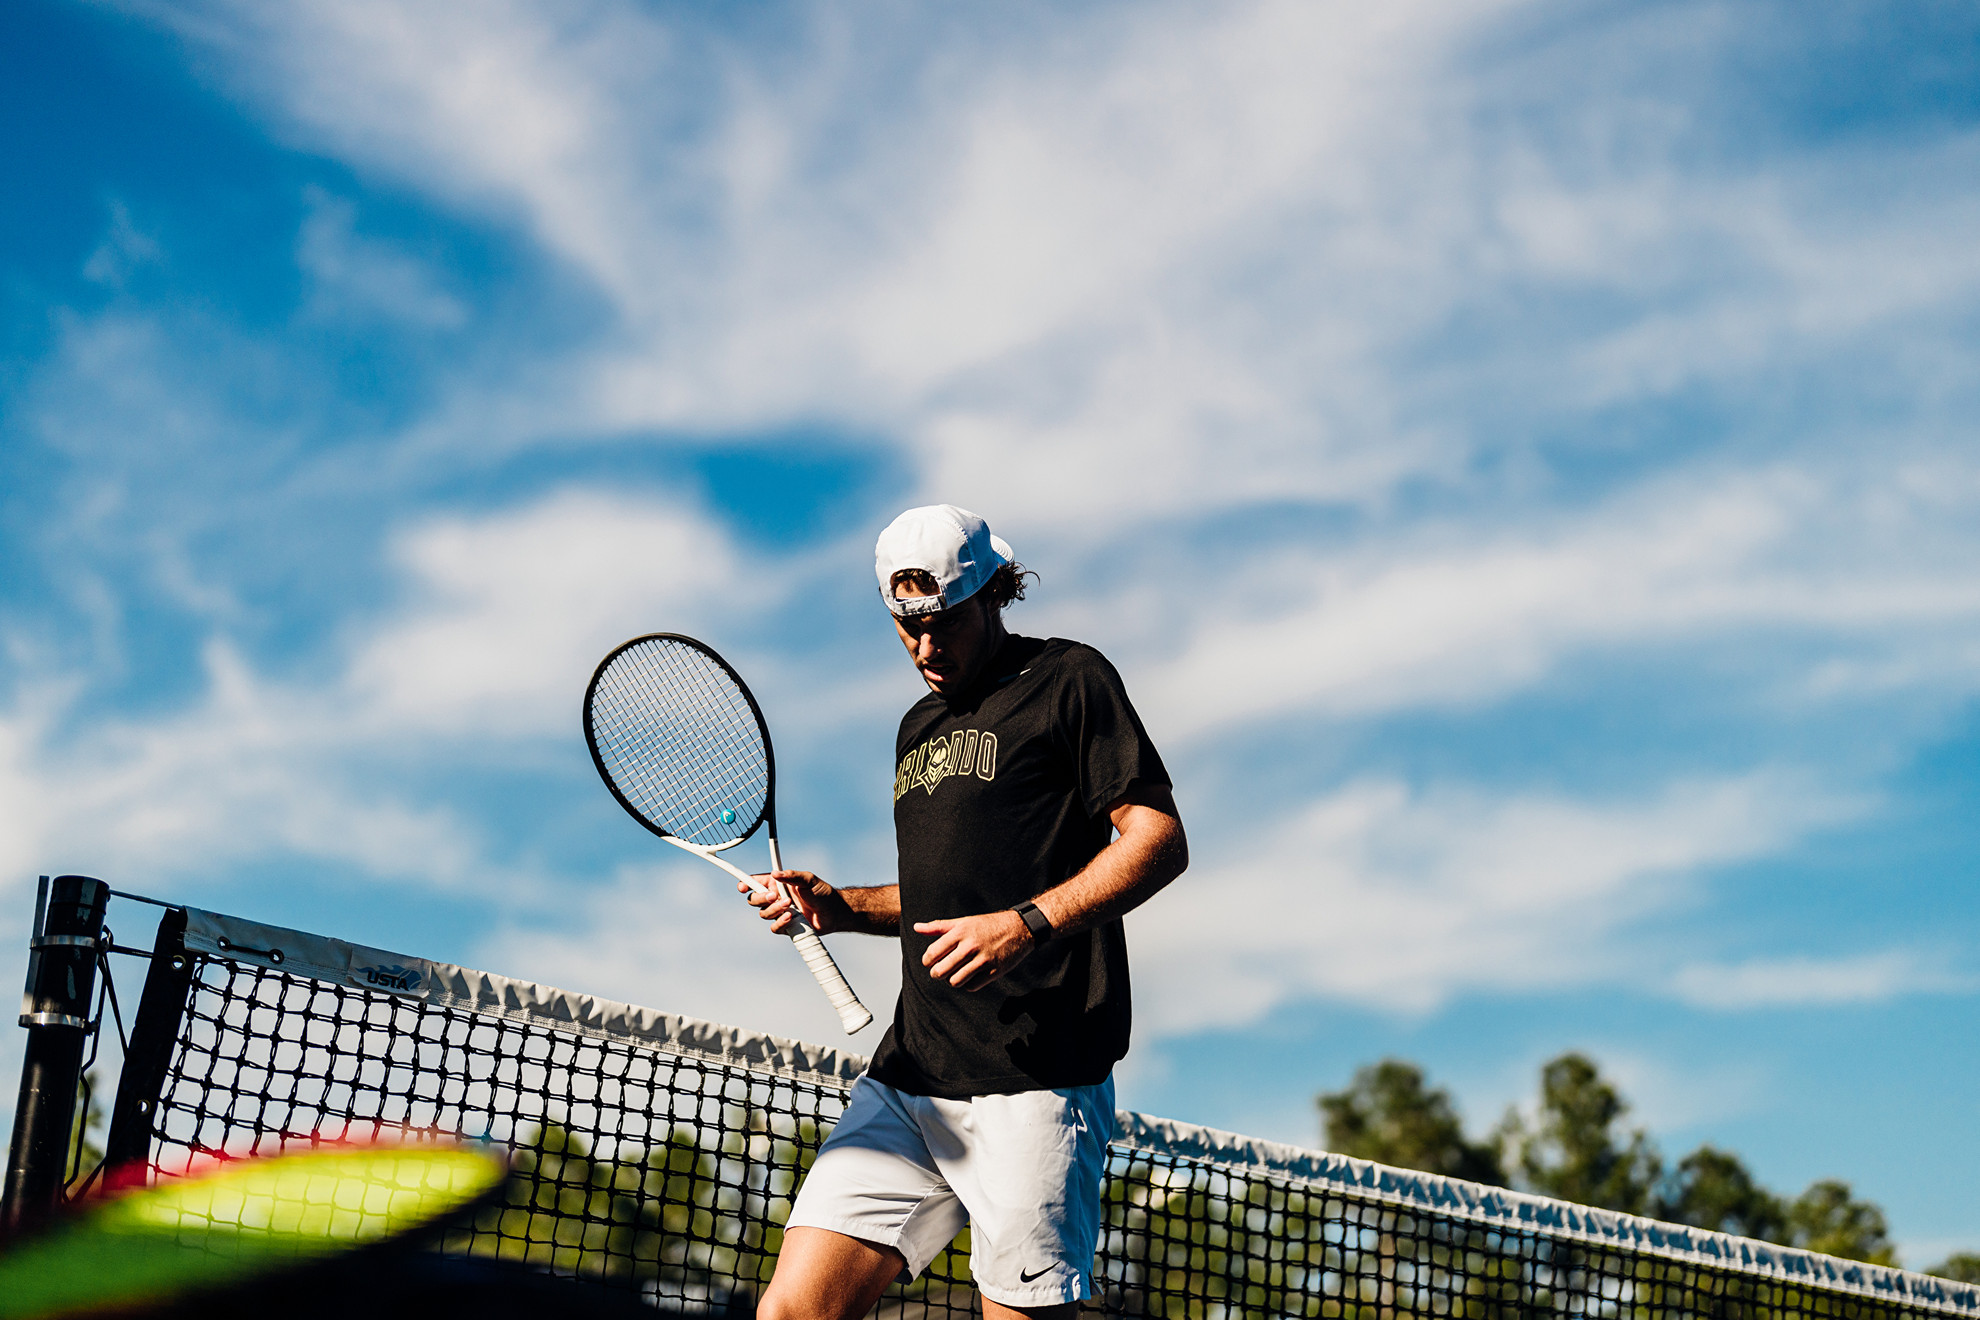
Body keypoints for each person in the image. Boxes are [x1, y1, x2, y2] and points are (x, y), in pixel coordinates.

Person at [739, 504, 1188, 1320]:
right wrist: (839, 907)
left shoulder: (1070, 679)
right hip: (912, 1076)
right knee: (791, 1312)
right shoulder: (918, 728)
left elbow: (1157, 838)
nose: (925, 648)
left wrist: (1028, 924)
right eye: (905, 629)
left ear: (993, 593)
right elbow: (947, 895)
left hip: (1038, 1081)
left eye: (942, 624)